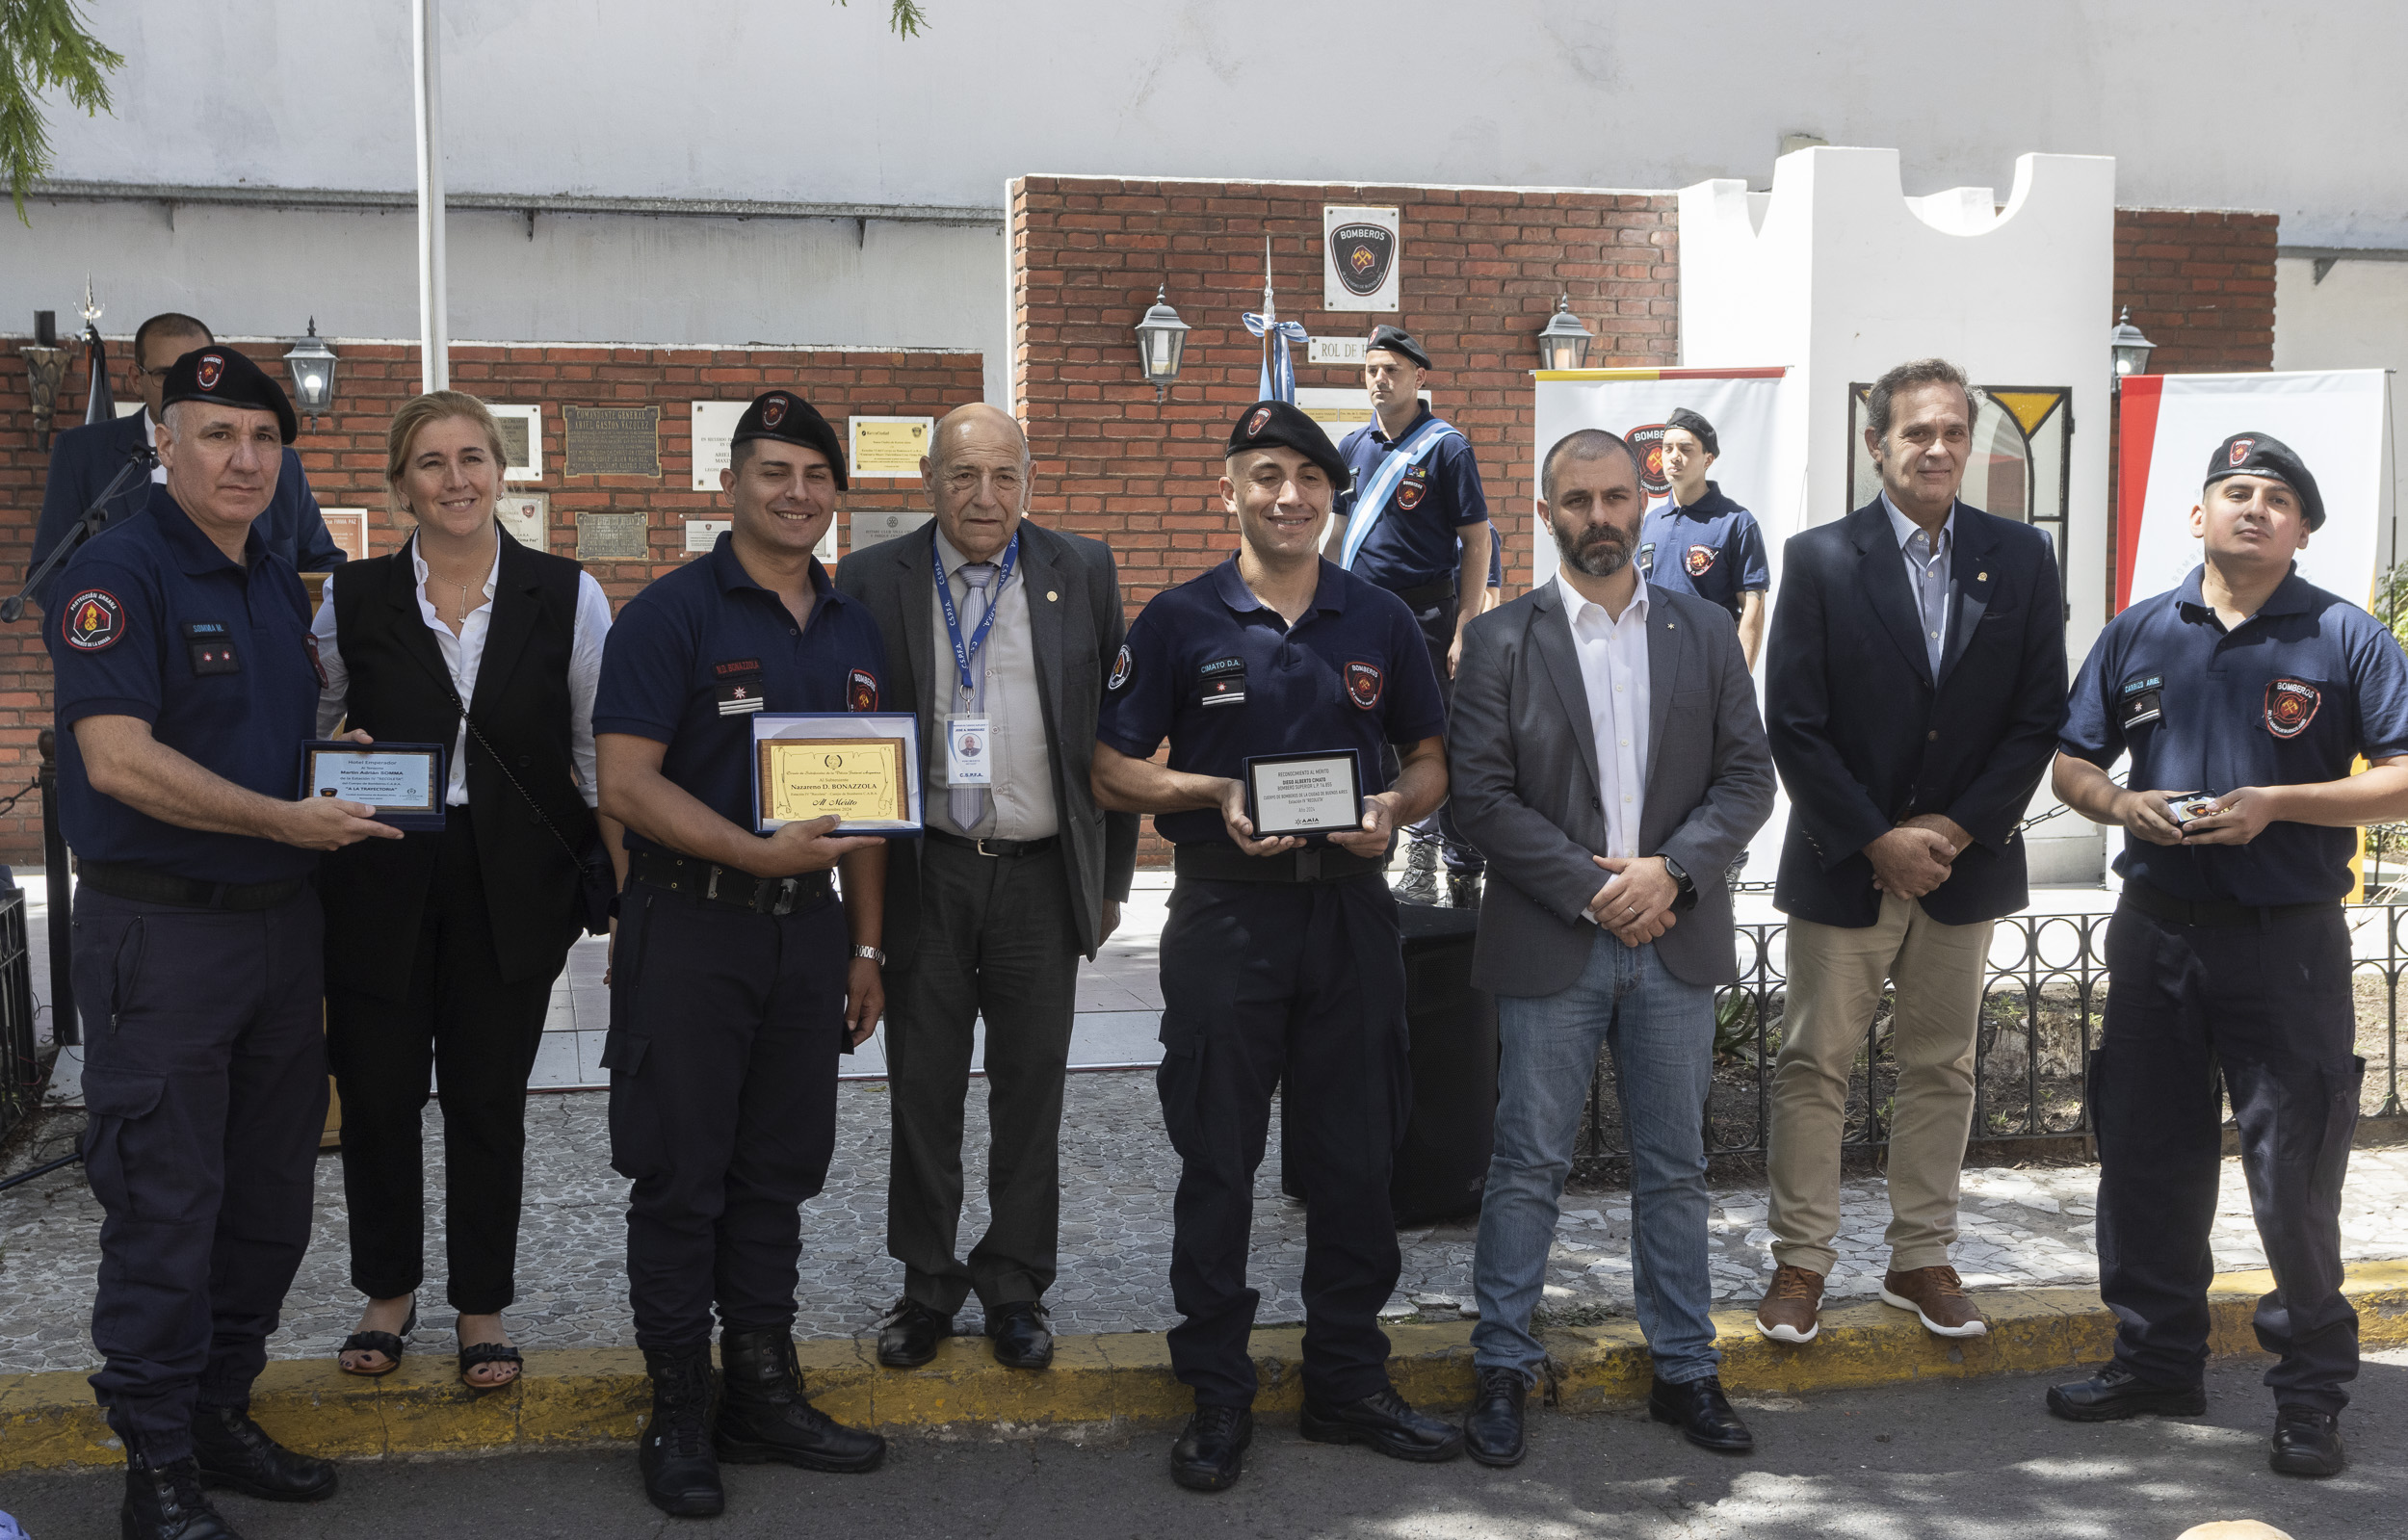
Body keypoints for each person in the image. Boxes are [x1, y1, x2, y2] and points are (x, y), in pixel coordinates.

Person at [47, 346, 403, 1539]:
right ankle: (154, 1468)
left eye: (263, 437)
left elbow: (258, 740)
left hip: (276, 931)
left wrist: (326, 771)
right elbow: (116, 759)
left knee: (266, 1204)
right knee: (166, 1204)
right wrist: (281, 816)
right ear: (164, 443)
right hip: (164, 936)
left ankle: (214, 1412)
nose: (244, 458)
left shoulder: (270, 580)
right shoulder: (118, 569)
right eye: (215, 434)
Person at [1094, 400, 1462, 1493]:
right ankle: (1216, 1387)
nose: (1288, 495)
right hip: (1224, 913)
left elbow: (1430, 755)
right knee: (1218, 1156)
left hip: (1349, 910)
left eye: (1307, 476)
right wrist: (1207, 788)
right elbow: (1111, 766)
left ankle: (1347, 1378)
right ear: (1231, 491)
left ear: (1332, 493)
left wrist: (1394, 807)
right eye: (1264, 475)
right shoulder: (1175, 620)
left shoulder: (1379, 618)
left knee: (1356, 1156)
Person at [2047, 433, 2406, 1480]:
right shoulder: (2138, 631)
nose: (2253, 508)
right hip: (2155, 932)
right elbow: (2071, 760)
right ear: (2196, 516)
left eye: (2278, 498)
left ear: (2301, 530)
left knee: (2291, 1174)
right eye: (2234, 492)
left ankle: (2307, 1397)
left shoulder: (2344, 636)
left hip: (2283, 942)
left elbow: (2400, 776)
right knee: (2146, 1158)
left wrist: (2275, 806)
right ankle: (2157, 1361)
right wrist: (2120, 802)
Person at [1449, 428, 1776, 1466]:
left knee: (1675, 1167)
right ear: (1544, 513)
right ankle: (1501, 1361)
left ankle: (1684, 1368)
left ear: (1645, 503)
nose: (1598, 516)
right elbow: (1479, 801)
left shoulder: (1704, 632)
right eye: (1575, 500)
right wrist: (1598, 890)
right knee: (1525, 1164)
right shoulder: (1500, 642)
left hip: (1673, 936)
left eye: (1614, 497)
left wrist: (1669, 874)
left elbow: (1746, 780)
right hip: (1555, 940)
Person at [593, 389, 890, 1516]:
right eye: (775, 472)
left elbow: (870, 804)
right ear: (732, 484)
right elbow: (624, 784)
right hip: (693, 928)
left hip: (807, 938)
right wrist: (755, 857)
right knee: (680, 1179)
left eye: (817, 478)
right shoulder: (670, 614)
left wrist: (865, 945)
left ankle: (762, 1390)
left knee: (777, 1173)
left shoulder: (854, 626)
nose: (797, 494)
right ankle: (677, 1411)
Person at [313, 391, 620, 1390]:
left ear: (502, 472)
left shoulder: (566, 594)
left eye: (474, 457)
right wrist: (329, 759)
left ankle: (481, 1303)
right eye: (433, 462)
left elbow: (592, 750)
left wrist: (616, 886)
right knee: (380, 1095)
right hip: (378, 874)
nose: (457, 478)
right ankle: (387, 1291)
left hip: (511, 883)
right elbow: (309, 737)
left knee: (488, 1103)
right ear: (400, 484)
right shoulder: (349, 600)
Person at [1756, 357, 2066, 1346]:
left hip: (1959, 866)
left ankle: (1919, 1259)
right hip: (1846, 862)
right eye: (1916, 432)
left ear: (1968, 445)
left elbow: (2035, 719)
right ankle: (1801, 1263)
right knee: (1815, 1064)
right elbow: (1794, 723)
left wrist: (1954, 831)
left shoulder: (2018, 558)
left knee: (1943, 1066)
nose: (1935, 449)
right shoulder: (1817, 559)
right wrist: (1877, 839)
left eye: (1951, 433)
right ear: (1875, 443)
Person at [833, 404, 1139, 1371]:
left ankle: (1015, 1285)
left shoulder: (1079, 572)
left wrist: (1111, 880)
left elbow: (1115, 738)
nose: (984, 496)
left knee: (1030, 1089)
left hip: (1041, 877)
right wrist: (864, 927)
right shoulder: (871, 577)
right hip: (928, 871)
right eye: (963, 476)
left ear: (1029, 483)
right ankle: (926, 1286)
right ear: (928, 482)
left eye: (1003, 476)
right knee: (921, 1088)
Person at [1323, 326, 1492, 907]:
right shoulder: (1351, 448)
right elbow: (1339, 535)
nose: (1379, 379)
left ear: (1419, 377)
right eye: (1371, 369)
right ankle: (1386, 853)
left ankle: (1460, 867)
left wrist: (1467, 621)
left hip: (1426, 614)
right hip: (1358, 615)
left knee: (1434, 741)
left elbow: (1477, 541)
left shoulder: (1446, 446)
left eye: (1391, 369)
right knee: (1362, 732)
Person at [32, 312, 347, 614]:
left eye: (202, 371)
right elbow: (50, 571)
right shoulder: (82, 452)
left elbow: (324, 567)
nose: (186, 384)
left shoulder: (280, 466)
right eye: (166, 374)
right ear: (136, 379)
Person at [1637, 408, 1770, 670]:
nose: (1674, 457)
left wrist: (1739, 682)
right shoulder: (1650, 523)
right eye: (1667, 448)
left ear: (1708, 459)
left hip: (1708, 668)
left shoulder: (1737, 522)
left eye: (1685, 449)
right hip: (1651, 668)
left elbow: (1753, 610)